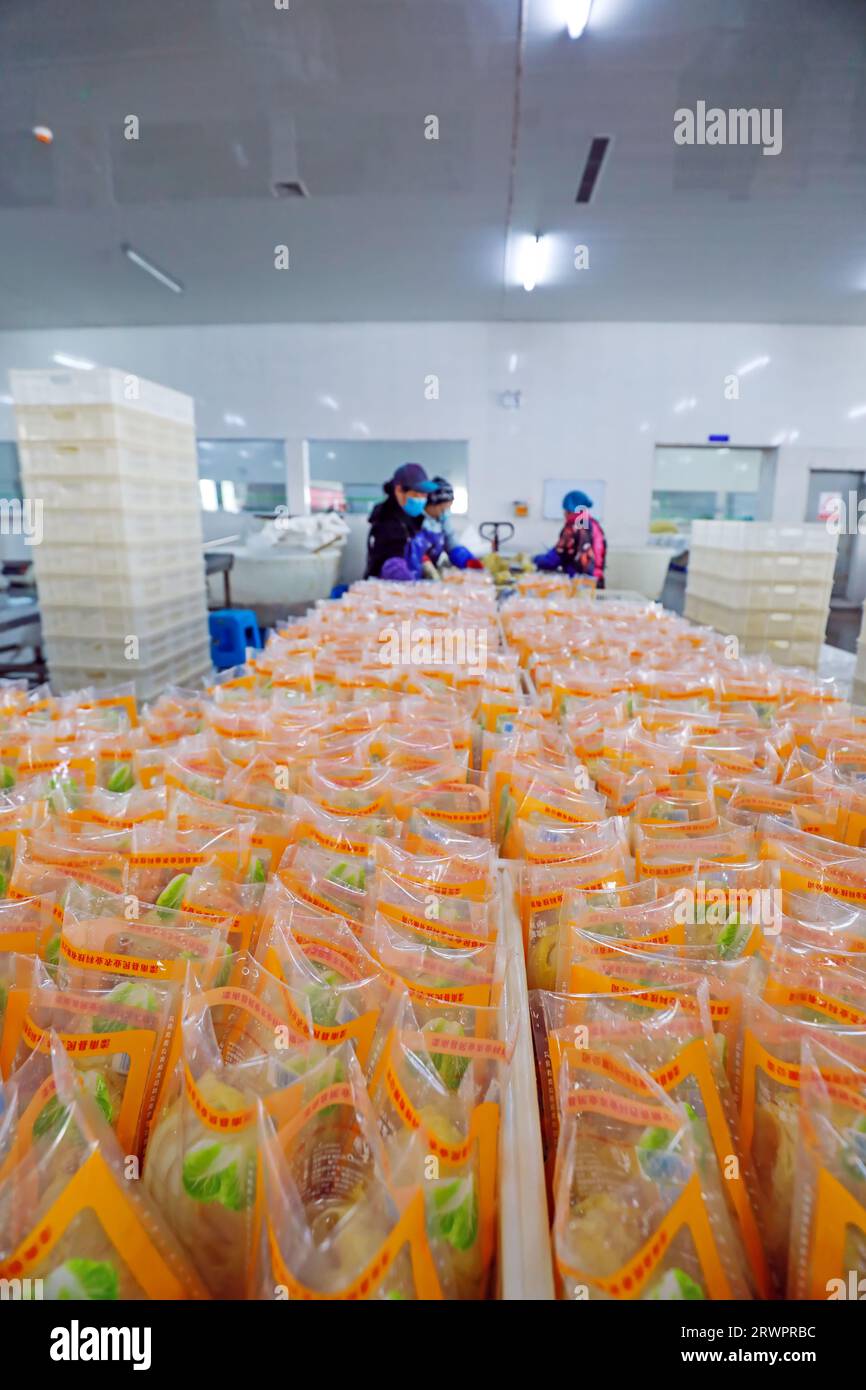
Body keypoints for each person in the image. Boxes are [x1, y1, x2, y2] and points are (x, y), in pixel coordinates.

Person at [364, 462, 436, 580]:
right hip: (388, 590)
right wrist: (408, 585)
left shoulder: (412, 518)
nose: (421, 499)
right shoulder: (386, 519)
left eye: (424, 495)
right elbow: (391, 560)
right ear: (399, 490)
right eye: (416, 494)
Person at [533, 489, 606, 586]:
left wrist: (534, 559)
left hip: (580, 583)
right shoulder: (593, 524)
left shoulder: (574, 527)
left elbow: (555, 558)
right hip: (595, 581)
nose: (564, 514)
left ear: (570, 510)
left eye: (565, 510)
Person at [420, 477, 483, 570]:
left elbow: (452, 543)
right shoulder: (417, 520)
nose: (446, 512)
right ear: (433, 503)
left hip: (431, 571)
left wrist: (467, 560)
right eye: (443, 509)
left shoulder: (442, 521)